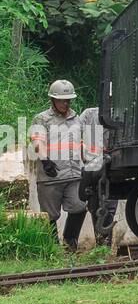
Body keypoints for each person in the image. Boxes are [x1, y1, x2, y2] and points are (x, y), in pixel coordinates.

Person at [27, 80, 88, 250]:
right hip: (50, 176)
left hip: (74, 174)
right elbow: (37, 141)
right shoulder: (42, 118)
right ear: (52, 100)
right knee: (49, 216)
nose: (66, 103)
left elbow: (80, 143)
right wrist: (45, 161)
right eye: (62, 100)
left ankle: (70, 243)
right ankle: (52, 248)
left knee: (79, 207)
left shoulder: (76, 119)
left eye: (68, 99)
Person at [77, 106, 119, 245]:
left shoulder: (123, 114)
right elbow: (75, 132)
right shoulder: (89, 114)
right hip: (92, 167)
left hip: (112, 167)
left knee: (109, 207)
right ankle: (101, 243)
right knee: (95, 206)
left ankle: (105, 245)